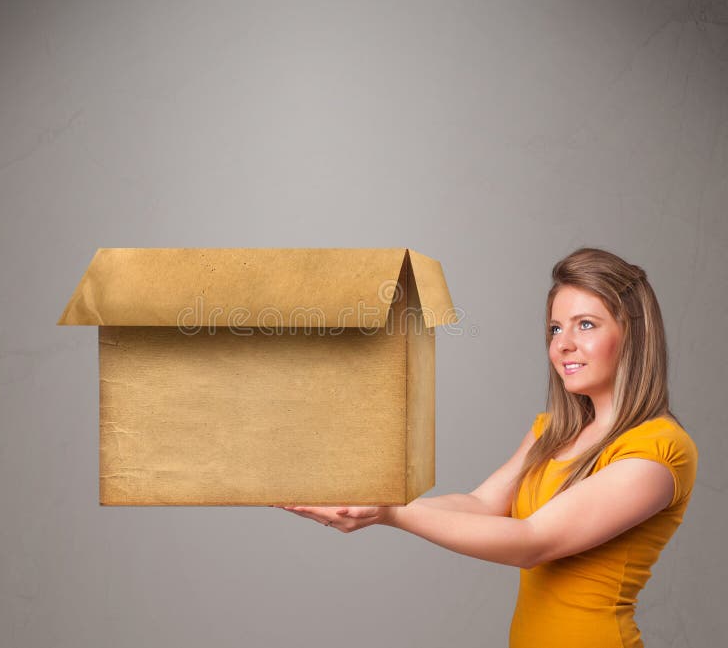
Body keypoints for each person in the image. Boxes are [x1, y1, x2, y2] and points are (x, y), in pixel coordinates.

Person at [274, 246, 698, 648]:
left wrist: (391, 513)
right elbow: (480, 503)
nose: (562, 344)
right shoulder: (552, 431)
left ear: (634, 333)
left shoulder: (659, 450)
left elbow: (534, 541)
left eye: (585, 324)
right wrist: (375, 501)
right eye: (555, 328)